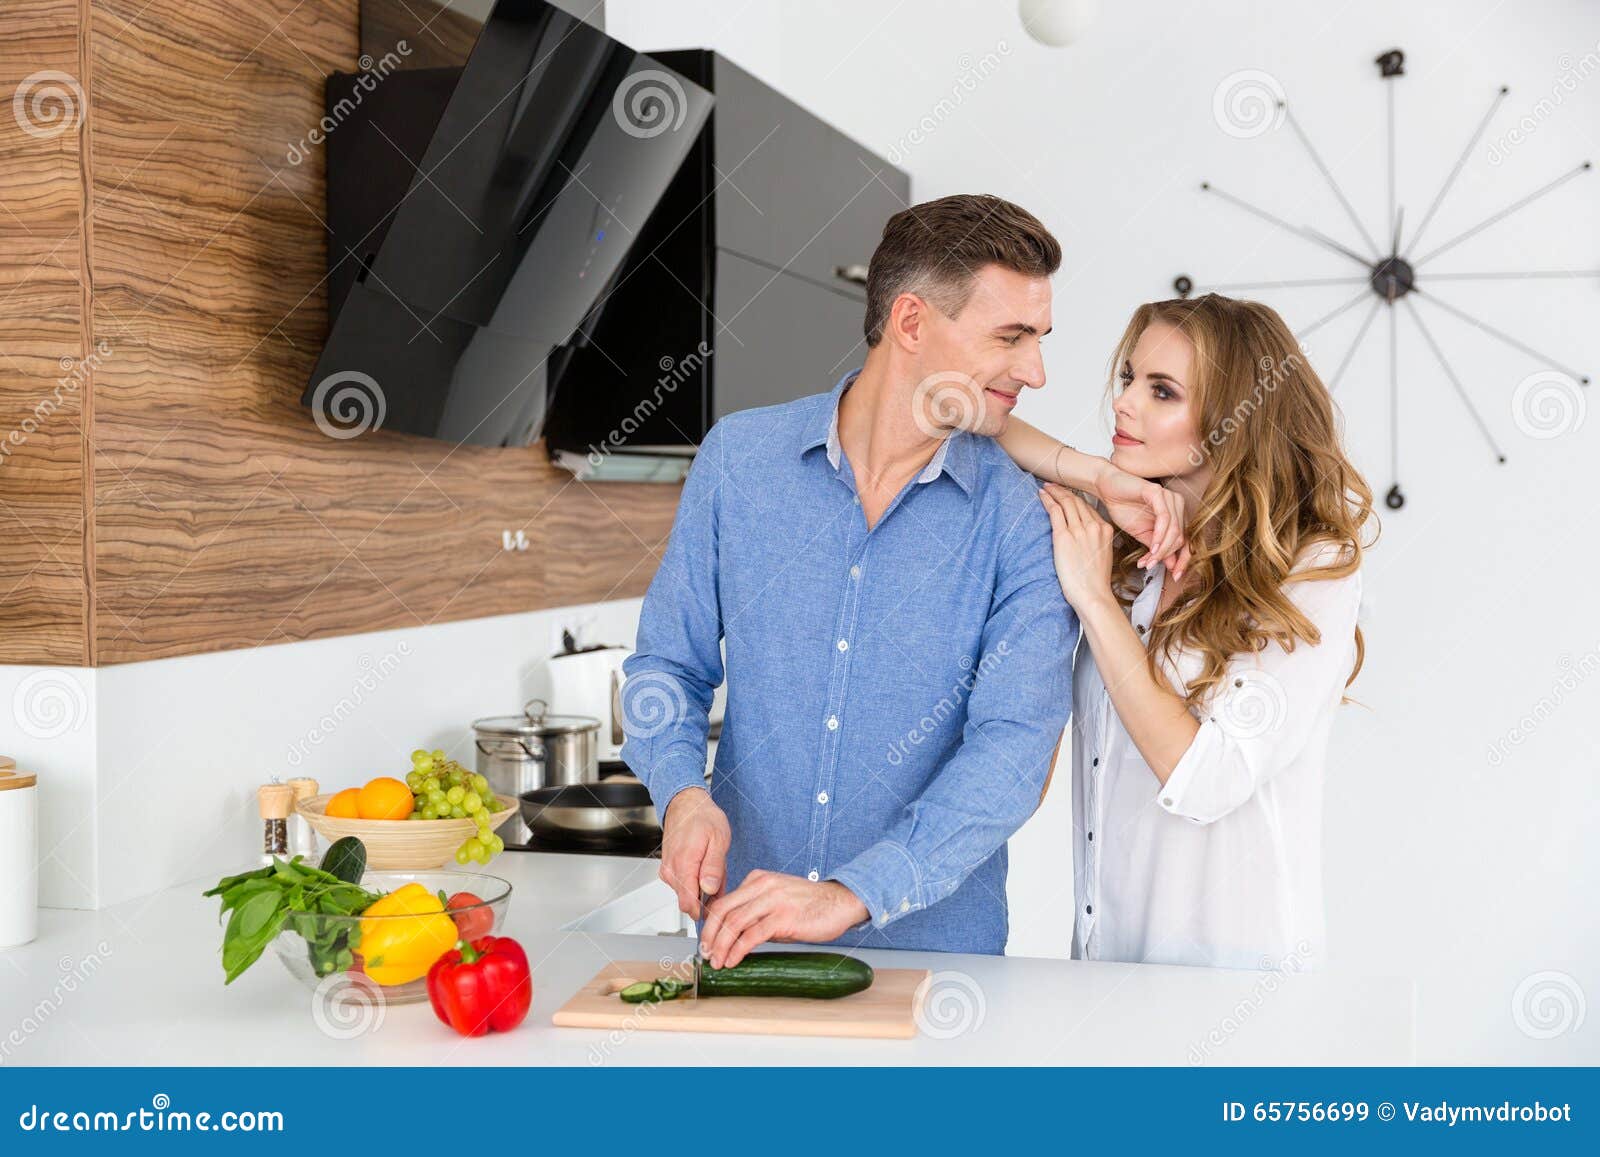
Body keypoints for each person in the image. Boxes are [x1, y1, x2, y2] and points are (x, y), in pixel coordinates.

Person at [619, 193, 1186, 965]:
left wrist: (854, 893)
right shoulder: (739, 463)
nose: (1038, 371)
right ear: (912, 323)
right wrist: (682, 792)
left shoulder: (1029, 520)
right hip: (739, 948)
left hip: (937, 967)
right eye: (1011, 337)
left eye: (1039, 338)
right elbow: (666, 666)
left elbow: (1012, 752)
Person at [1006, 293, 1375, 970]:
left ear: (1234, 421)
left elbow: (1206, 779)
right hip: (1106, 969)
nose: (1124, 403)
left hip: (1238, 984)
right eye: (1128, 379)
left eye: (1162, 391)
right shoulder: (1121, 537)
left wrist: (1093, 597)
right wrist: (1096, 474)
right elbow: (968, 416)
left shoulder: (1308, 568)